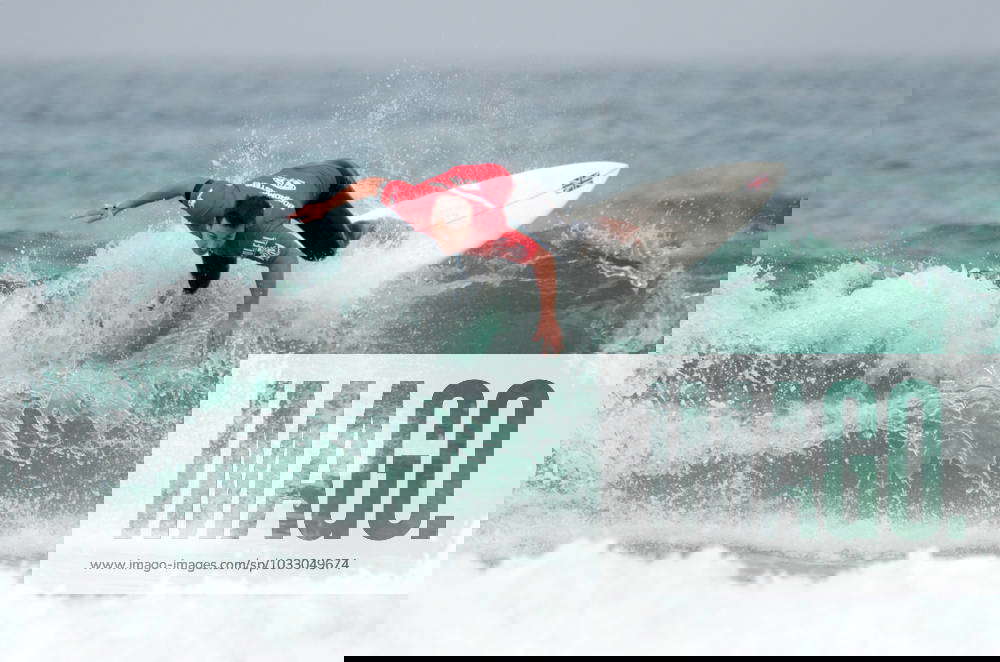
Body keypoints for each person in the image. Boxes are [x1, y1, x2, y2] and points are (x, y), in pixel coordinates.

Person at [77, 160, 563, 352]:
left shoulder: (277, 229)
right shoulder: (216, 196)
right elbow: (177, 186)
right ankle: (122, 334)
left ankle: (390, 231)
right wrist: (119, 206)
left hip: (317, 216)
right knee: (192, 293)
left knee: (345, 236)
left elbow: (275, 274)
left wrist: (234, 320)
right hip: (303, 196)